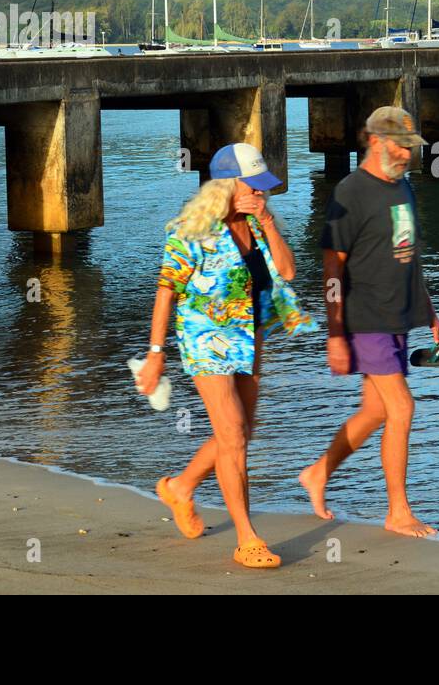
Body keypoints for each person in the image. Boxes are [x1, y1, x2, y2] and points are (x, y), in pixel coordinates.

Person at [138, 143, 316, 569]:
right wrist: (156, 354)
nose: (259, 194)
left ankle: (181, 487)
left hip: (250, 337)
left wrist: (268, 221)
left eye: (262, 189)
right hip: (205, 339)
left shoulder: (257, 227)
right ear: (225, 188)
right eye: (251, 188)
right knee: (234, 434)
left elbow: (288, 273)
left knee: (239, 431)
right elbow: (167, 291)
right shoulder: (191, 232)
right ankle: (247, 538)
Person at [299, 106, 439, 539]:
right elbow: (331, 267)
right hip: (365, 316)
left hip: (398, 315)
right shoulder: (351, 193)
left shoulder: (403, 188)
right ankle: (398, 511)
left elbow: (408, 257)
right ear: (375, 141)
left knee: (376, 410)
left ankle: (318, 472)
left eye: (410, 148)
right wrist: (334, 332)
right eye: (400, 147)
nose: (407, 156)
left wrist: (430, 313)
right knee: (403, 407)